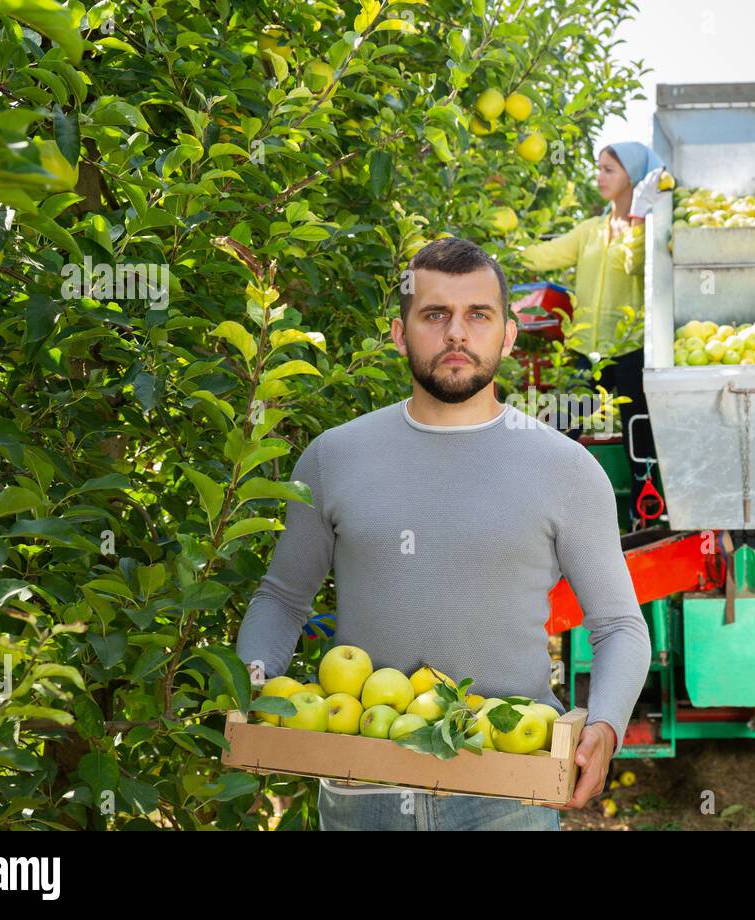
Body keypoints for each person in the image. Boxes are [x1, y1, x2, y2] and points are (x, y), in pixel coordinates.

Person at [237, 237, 651, 831]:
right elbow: (281, 598)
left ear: (508, 335)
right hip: (363, 790)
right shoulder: (335, 458)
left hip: (509, 790)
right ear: (401, 334)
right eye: (435, 315)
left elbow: (617, 626)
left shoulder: (566, 468)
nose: (457, 333)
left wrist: (606, 725)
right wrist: (253, 679)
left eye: (477, 315)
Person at [519, 142, 666, 495]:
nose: (598, 176)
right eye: (598, 168)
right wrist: (500, 250)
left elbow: (636, 264)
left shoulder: (647, 231)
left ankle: (644, 511)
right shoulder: (589, 230)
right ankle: (544, 506)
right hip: (586, 350)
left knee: (638, 436)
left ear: (632, 178)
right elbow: (545, 255)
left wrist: (638, 219)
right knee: (560, 429)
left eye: (608, 170)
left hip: (632, 349)